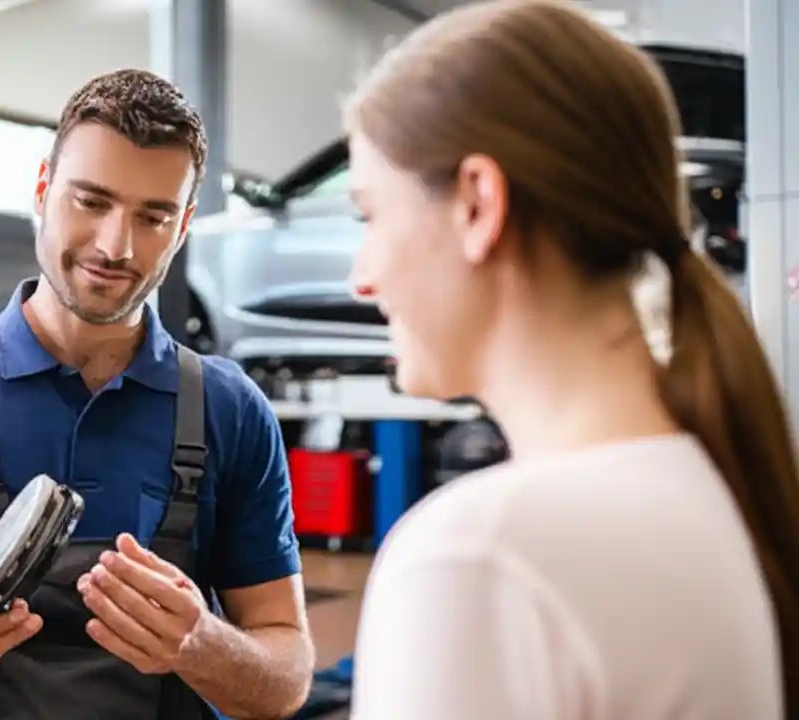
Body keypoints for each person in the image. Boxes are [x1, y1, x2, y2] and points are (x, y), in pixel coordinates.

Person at [0, 68, 314, 720]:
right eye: (91, 201)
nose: (115, 245)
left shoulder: (229, 411)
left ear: (183, 225)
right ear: (43, 190)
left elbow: (286, 676)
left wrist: (202, 644)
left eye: (152, 216)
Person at [340, 1, 799, 718]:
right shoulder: (711, 484)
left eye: (369, 216)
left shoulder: (479, 557)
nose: (359, 277)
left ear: (477, 205)